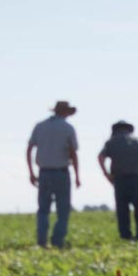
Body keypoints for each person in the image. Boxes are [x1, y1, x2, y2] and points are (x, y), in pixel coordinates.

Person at [25, 100, 81, 248]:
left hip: (44, 173)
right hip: (62, 173)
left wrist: (31, 172)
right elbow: (73, 153)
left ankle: (42, 241)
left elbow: (29, 149)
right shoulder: (68, 128)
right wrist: (77, 176)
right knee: (63, 210)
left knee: (43, 210)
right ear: (65, 112)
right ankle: (57, 242)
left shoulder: (40, 126)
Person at [97, 120, 138, 242]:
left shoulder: (111, 142)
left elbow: (100, 157)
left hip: (119, 180)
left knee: (122, 210)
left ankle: (125, 236)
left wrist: (106, 174)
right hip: (137, 180)